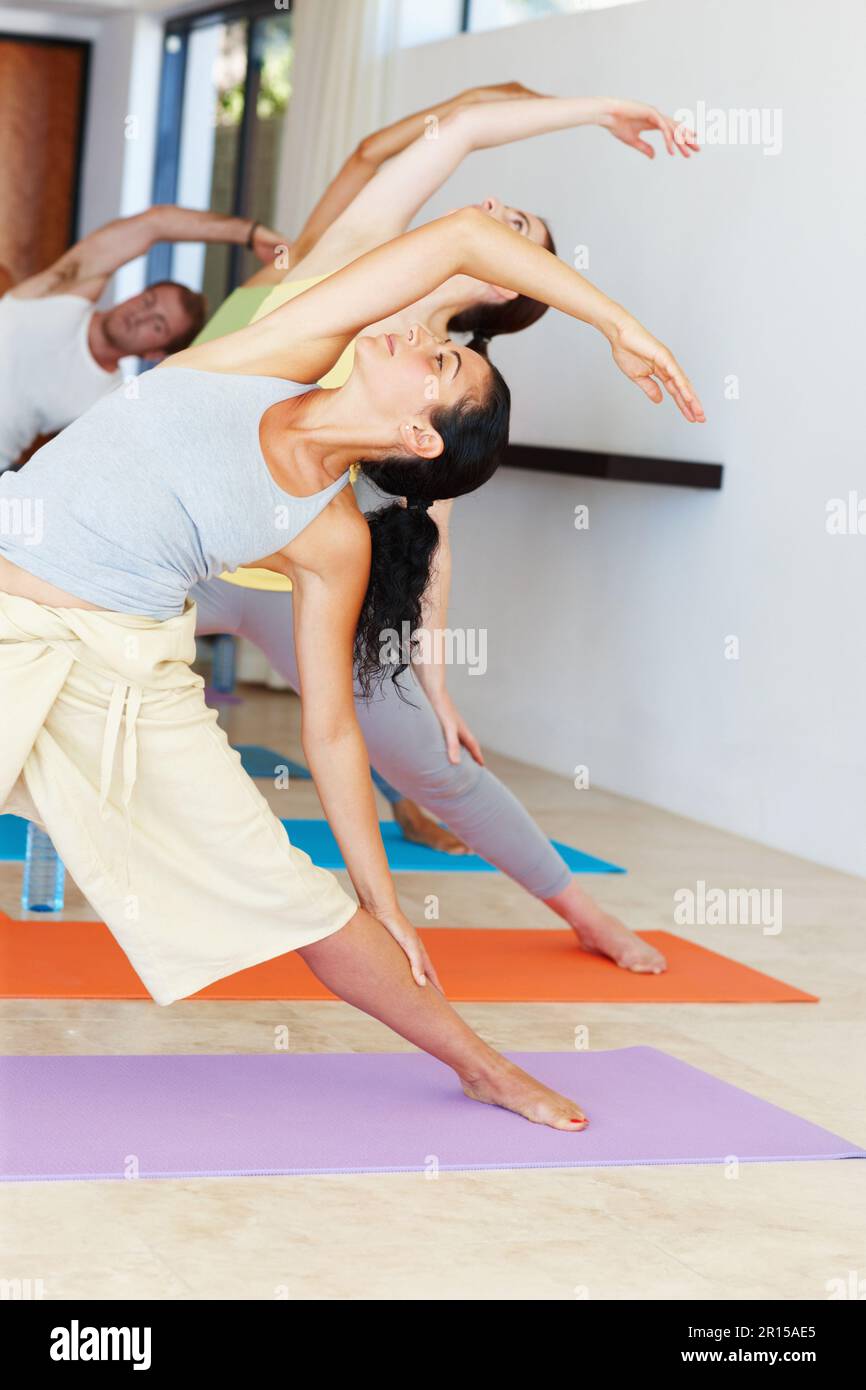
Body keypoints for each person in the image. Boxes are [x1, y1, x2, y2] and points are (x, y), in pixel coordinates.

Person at [0, 205, 702, 1129]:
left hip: (122, 678)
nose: (416, 334)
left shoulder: (332, 538)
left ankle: (480, 1065)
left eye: (439, 361)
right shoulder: (277, 350)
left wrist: (382, 898)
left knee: (294, 893)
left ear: (420, 435)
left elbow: (331, 727)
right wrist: (620, 324)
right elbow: (460, 241)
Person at [193, 87, 700, 970]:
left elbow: (432, 548)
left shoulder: (451, 392)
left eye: (516, 228)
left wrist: (435, 686)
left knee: (437, 765)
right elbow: (454, 130)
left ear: (506, 280)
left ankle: (586, 915)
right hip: (187, 554)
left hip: (304, 582)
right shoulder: (361, 269)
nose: (492, 208)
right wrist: (595, 108)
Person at [0, 205, 286, 471]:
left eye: (158, 325)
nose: (141, 315)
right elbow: (153, 225)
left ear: (154, 354)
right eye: (148, 301)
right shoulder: (63, 291)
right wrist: (249, 233)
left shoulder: (108, 402)